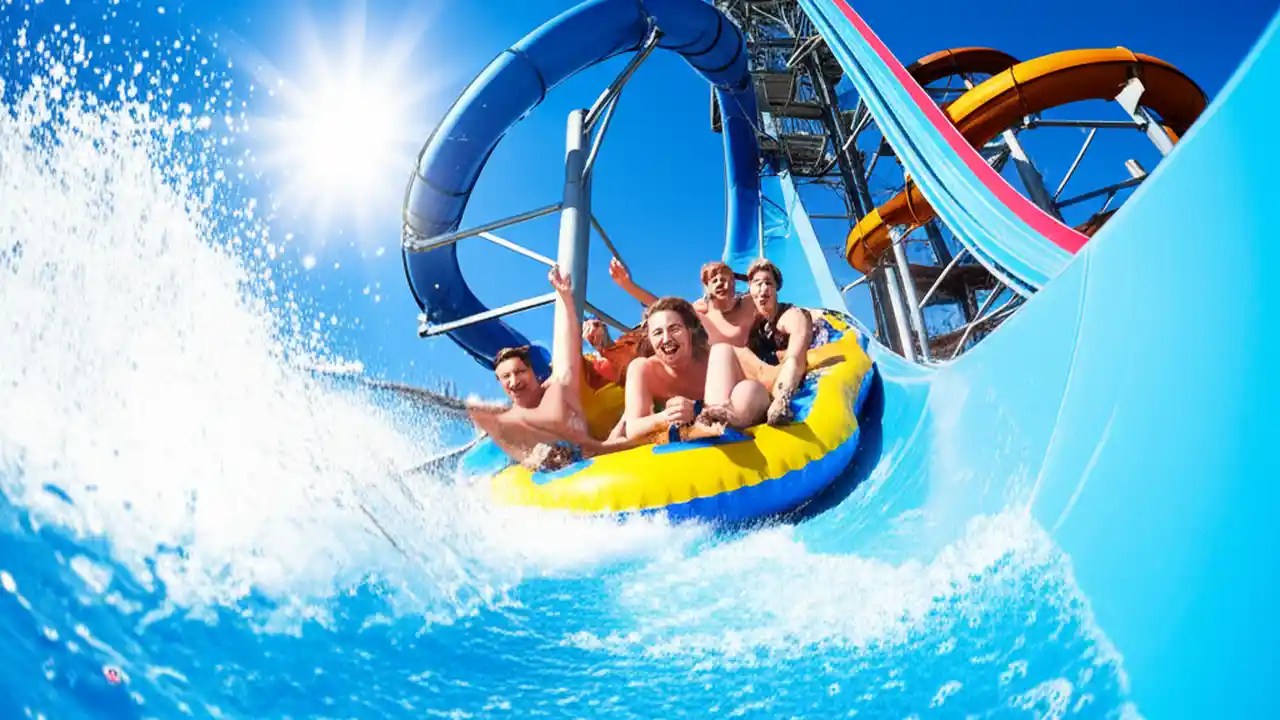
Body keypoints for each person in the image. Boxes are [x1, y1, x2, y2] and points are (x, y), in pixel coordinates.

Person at [466, 265, 643, 471]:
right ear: (500, 382)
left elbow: (567, 349)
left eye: (520, 372)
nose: (514, 381)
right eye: (506, 377)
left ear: (533, 372)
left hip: (603, 447)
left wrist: (566, 298)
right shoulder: (510, 420)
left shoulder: (555, 389)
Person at [615, 296, 770, 441]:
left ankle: (714, 420)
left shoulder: (715, 355)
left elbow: (765, 376)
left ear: (689, 332)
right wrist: (668, 416)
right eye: (658, 333)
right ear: (650, 339)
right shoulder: (643, 368)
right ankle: (711, 423)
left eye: (674, 329)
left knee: (747, 388)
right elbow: (633, 428)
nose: (667, 339)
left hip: (739, 411)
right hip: (695, 431)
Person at [740, 258, 843, 425]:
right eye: (758, 283)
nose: (763, 288)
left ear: (776, 290)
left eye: (769, 283)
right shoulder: (750, 321)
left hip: (792, 365)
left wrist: (782, 399)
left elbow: (795, 357)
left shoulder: (790, 316)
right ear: (750, 290)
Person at [608, 257, 757, 346]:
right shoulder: (701, 312)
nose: (719, 283)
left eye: (724, 279)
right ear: (708, 289)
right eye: (714, 280)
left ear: (733, 284)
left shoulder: (748, 304)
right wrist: (627, 284)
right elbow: (663, 307)